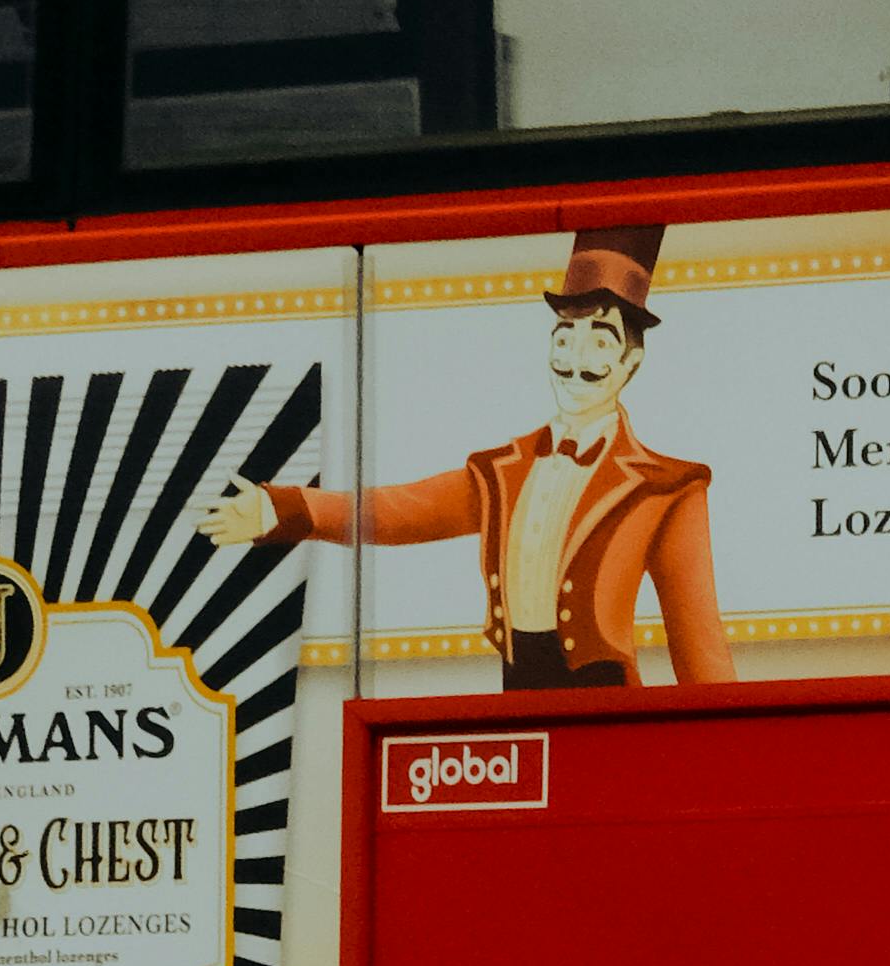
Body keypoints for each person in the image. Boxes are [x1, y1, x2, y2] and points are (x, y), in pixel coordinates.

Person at [198, 225, 730, 690]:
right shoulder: (503, 469)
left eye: (599, 340)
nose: (576, 360)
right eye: (564, 337)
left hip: (607, 708)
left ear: (631, 360)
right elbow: (404, 509)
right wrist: (286, 509)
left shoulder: (669, 486)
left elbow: (699, 645)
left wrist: (743, 765)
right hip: (514, 698)